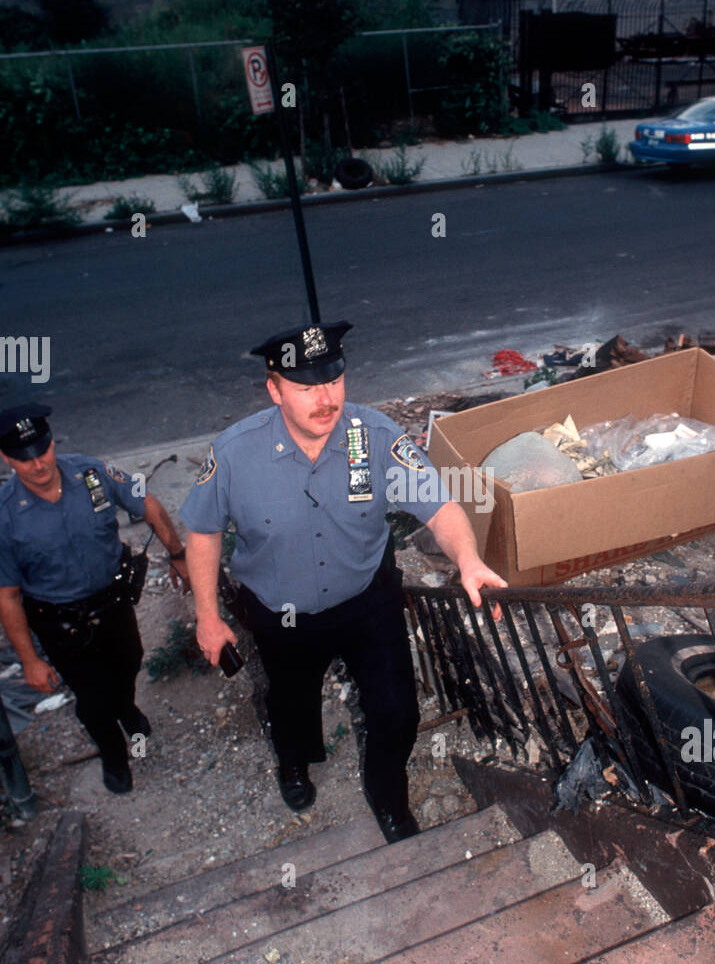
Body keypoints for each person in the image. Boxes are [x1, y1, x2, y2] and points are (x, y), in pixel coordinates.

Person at [181, 321, 506, 843]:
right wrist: (207, 616)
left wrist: (468, 559)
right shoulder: (236, 453)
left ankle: (388, 796)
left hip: (366, 603)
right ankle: (295, 763)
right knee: (290, 703)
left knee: (396, 709)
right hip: (281, 613)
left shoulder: (373, 436)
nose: (324, 398)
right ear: (274, 390)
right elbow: (202, 533)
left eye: (332, 381)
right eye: (306, 387)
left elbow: (439, 504)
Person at [0, 404, 189, 795]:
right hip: (59, 620)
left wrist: (177, 554)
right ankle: (115, 757)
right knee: (90, 697)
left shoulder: (91, 472)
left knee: (130, 659)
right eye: (24, 458)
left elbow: (147, 503)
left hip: (113, 601)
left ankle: (126, 707)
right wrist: (30, 661)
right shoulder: (5, 517)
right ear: (5, 458)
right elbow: (8, 596)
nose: (37, 464)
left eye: (43, 450)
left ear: (53, 441)